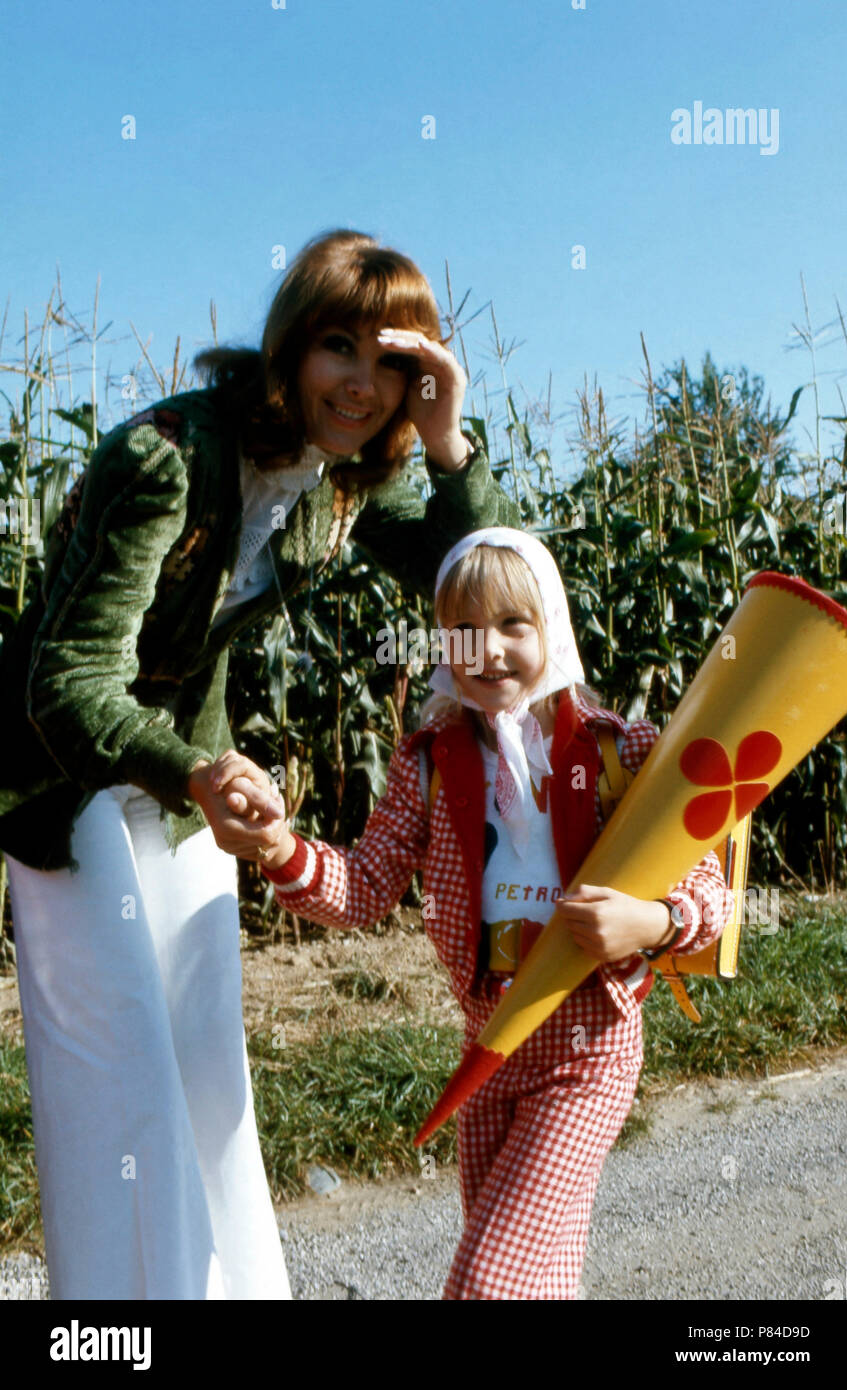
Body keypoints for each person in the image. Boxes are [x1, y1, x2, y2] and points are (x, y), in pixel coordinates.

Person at [0, 230, 519, 1300]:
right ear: (290, 348)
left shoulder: (335, 493)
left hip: (189, 782)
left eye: (392, 363)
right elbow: (66, 677)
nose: (362, 385)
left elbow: (486, 585)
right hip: (66, 775)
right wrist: (194, 768)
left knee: (204, 1067)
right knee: (123, 1077)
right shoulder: (165, 460)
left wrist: (449, 441)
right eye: (340, 347)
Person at [213, 526, 734, 1300]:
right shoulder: (427, 761)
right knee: (536, 1279)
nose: (486, 651)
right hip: (487, 1044)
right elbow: (363, 888)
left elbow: (709, 888)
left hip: (587, 1042)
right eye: (463, 631)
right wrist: (281, 848)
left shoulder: (620, 750)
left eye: (511, 626)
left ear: (551, 629)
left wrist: (651, 924)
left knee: (489, 1283)